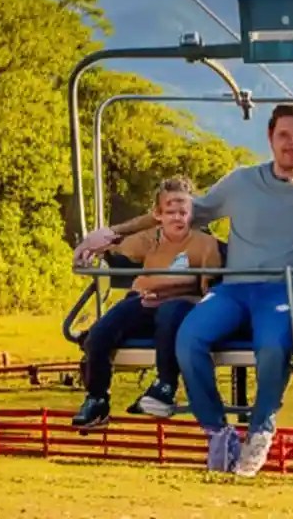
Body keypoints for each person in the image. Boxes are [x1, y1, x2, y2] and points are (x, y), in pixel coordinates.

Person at [72, 104, 293, 478]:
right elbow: (177, 211)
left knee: (272, 346)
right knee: (190, 337)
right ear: (270, 138)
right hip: (234, 289)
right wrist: (113, 234)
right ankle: (218, 430)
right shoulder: (241, 182)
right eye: (284, 134)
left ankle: (261, 427)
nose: (291, 143)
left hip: (283, 290)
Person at [71, 176, 222, 428]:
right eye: (170, 212)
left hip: (181, 303)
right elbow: (118, 247)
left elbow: (211, 287)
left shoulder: (205, 245)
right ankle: (97, 398)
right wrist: (93, 248)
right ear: (158, 215)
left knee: (170, 313)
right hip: (144, 300)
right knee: (99, 333)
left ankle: (165, 385)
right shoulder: (150, 238)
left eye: (183, 212)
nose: (177, 218)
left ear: (191, 213)